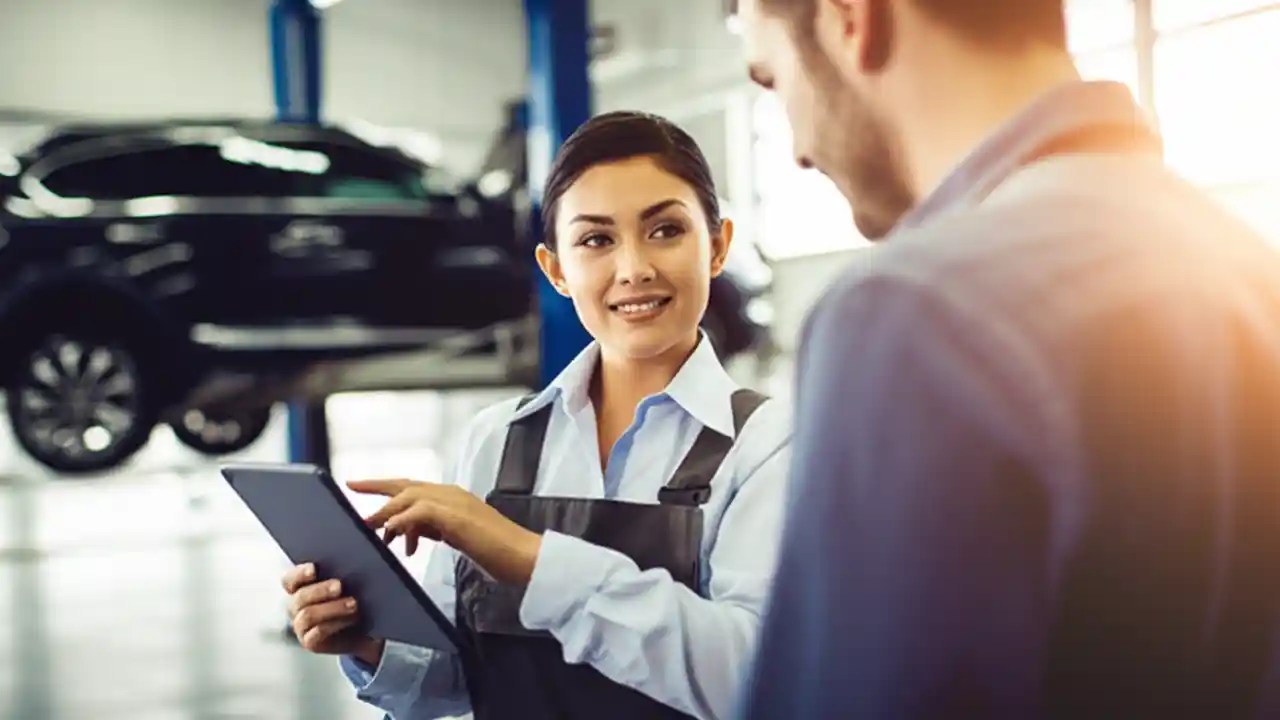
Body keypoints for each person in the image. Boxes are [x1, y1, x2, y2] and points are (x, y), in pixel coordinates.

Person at [735, 0, 1280, 717]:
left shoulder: (914, 312)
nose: (799, 149)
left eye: (772, 80)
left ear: (851, 21)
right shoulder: (1247, 264)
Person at [279, 111, 792, 720]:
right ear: (556, 270)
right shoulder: (495, 441)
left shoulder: (771, 447)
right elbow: (450, 682)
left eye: (665, 230)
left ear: (718, 246)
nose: (634, 269)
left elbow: (756, 681)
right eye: (596, 240)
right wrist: (369, 642)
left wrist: (524, 555)